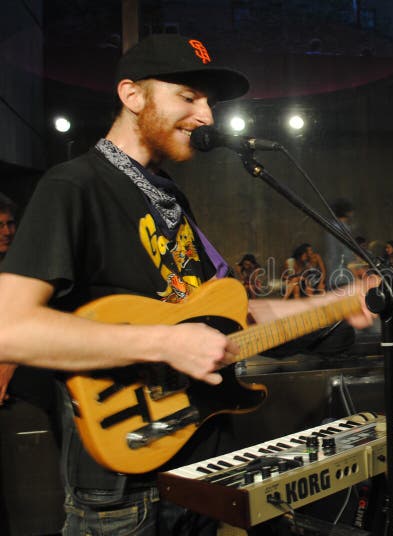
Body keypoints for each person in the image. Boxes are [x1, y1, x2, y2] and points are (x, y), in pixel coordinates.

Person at [0, 34, 373, 535]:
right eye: (188, 97)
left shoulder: (168, 197)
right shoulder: (74, 186)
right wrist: (164, 342)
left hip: (199, 470)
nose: (207, 117)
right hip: (127, 486)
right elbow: (9, 329)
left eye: (209, 103)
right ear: (132, 95)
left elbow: (228, 316)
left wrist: (336, 303)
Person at [0, 193, 18, 405]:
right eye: (0, 225)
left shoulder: (25, 269)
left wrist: (9, 363)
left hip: (20, 369)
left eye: (10, 224)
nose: (7, 232)